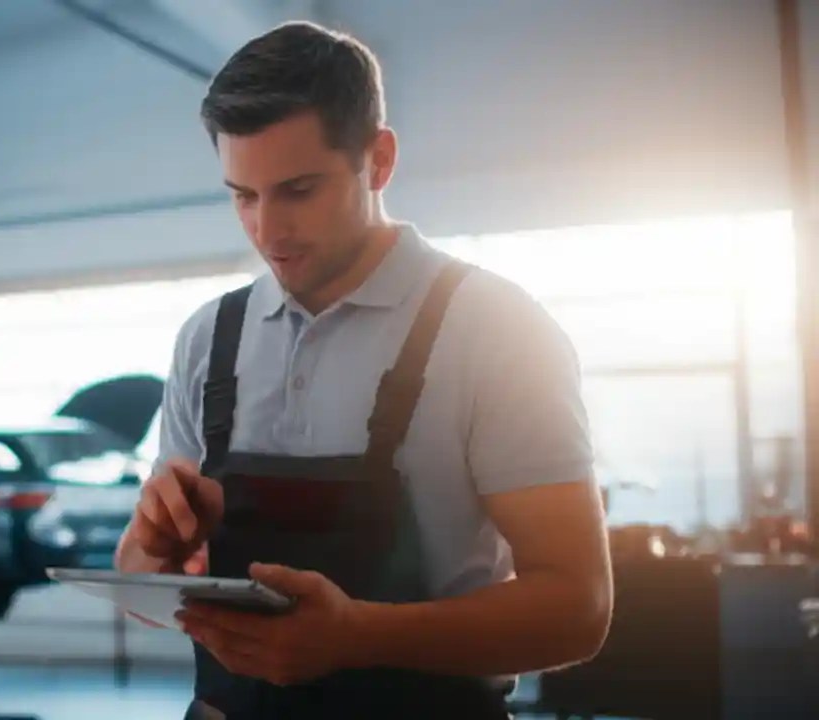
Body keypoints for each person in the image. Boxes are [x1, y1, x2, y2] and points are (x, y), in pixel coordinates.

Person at [114, 22, 613, 719]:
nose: (267, 229)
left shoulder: (494, 329)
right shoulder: (208, 339)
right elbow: (141, 581)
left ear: (378, 161)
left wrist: (358, 638)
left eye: (298, 190)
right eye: (243, 195)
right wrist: (150, 550)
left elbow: (578, 609)